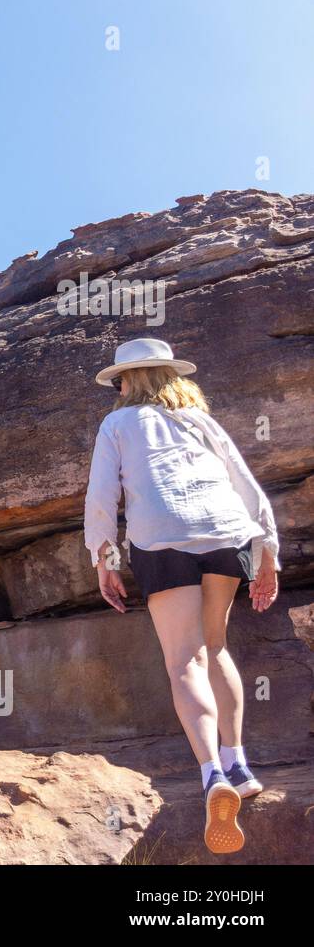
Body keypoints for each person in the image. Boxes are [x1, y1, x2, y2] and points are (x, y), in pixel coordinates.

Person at [83, 338, 281, 855]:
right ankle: (239, 765)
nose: (117, 390)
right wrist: (267, 552)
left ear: (130, 381)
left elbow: (102, 497)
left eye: (119, 381)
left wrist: (105, 562)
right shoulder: (203, 422)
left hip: (163, 537)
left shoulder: (117, 425)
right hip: (225, 532)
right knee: (216, 647)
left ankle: (211, 775)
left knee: (184, 660)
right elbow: (246, 483)